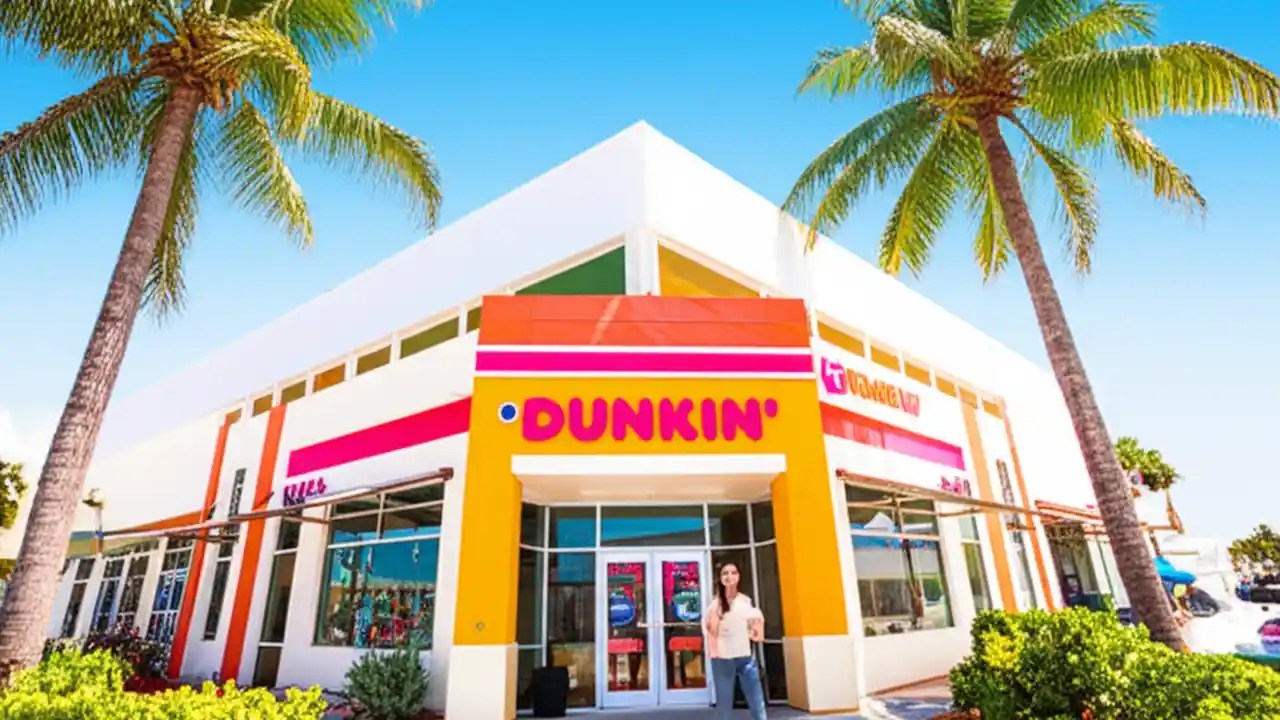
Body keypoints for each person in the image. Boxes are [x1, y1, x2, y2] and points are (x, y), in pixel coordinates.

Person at [704, 562, 767, 720]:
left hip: (745, 657)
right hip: (723, 659)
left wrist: (756, 627)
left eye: (733, 572)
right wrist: (715, 655)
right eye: (725, 573)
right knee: (724, 706)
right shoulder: (715, 605)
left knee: (757, 702)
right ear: (720, 578)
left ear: (739, 577)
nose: (729, 576)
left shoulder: (745, 601)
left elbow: (754, 631)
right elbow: (712, 633)